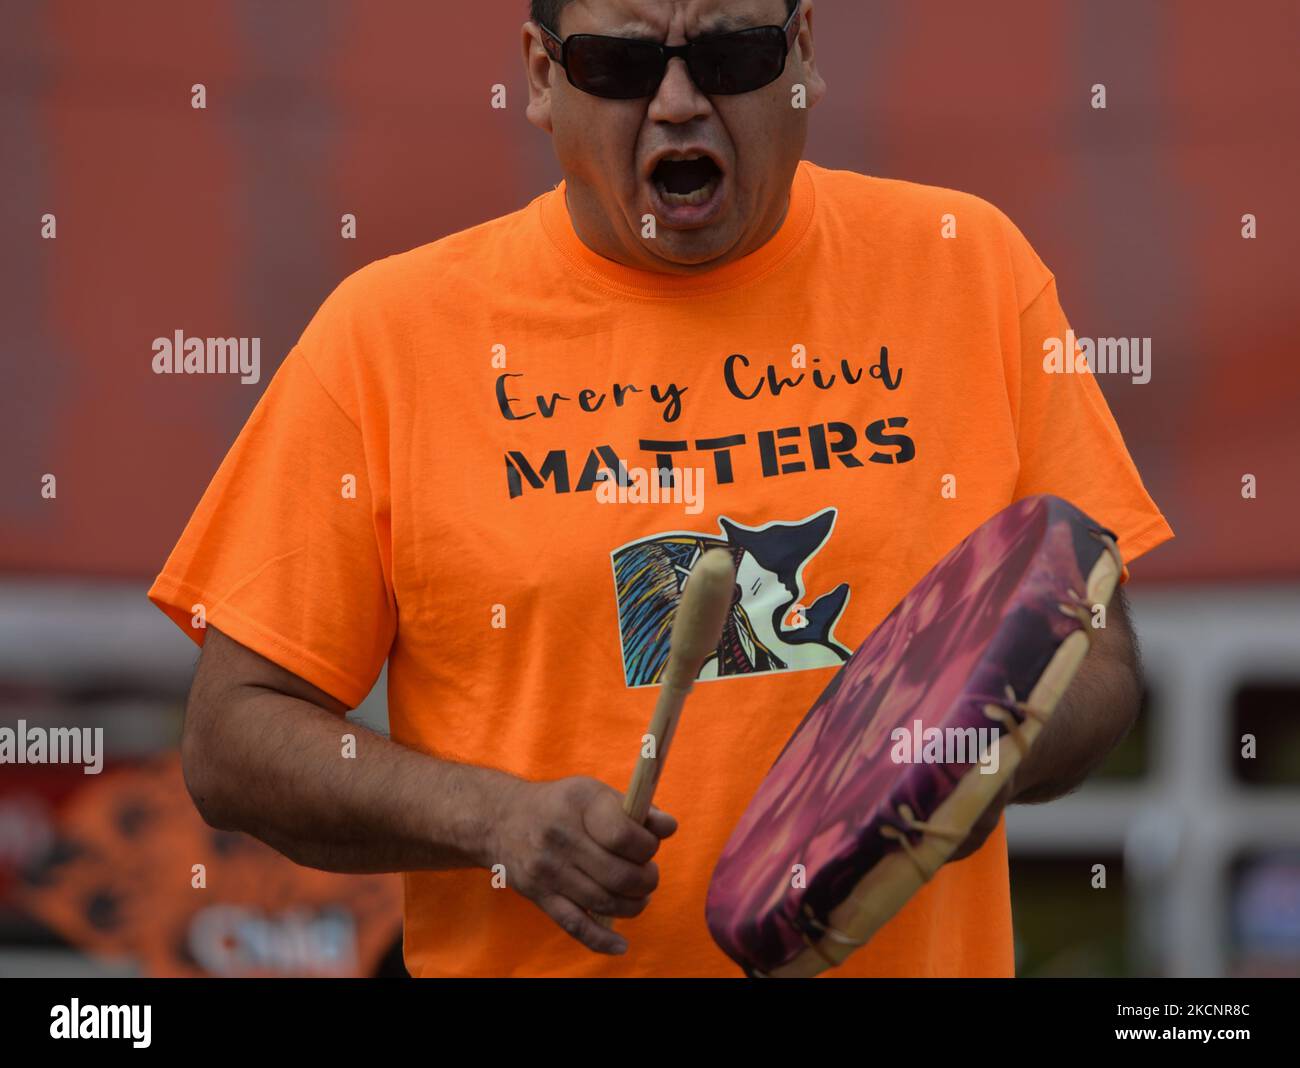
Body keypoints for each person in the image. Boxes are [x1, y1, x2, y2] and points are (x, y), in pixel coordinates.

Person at [149, 0, 1174, 977]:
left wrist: (973, 763)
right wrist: (492, 819)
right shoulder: (386, 337)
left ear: (804, 52)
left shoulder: (969, 269)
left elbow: (1098, 641)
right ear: (543, 78)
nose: (679, 102)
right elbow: (233, 735)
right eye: (621, 66)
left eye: (730, 57)